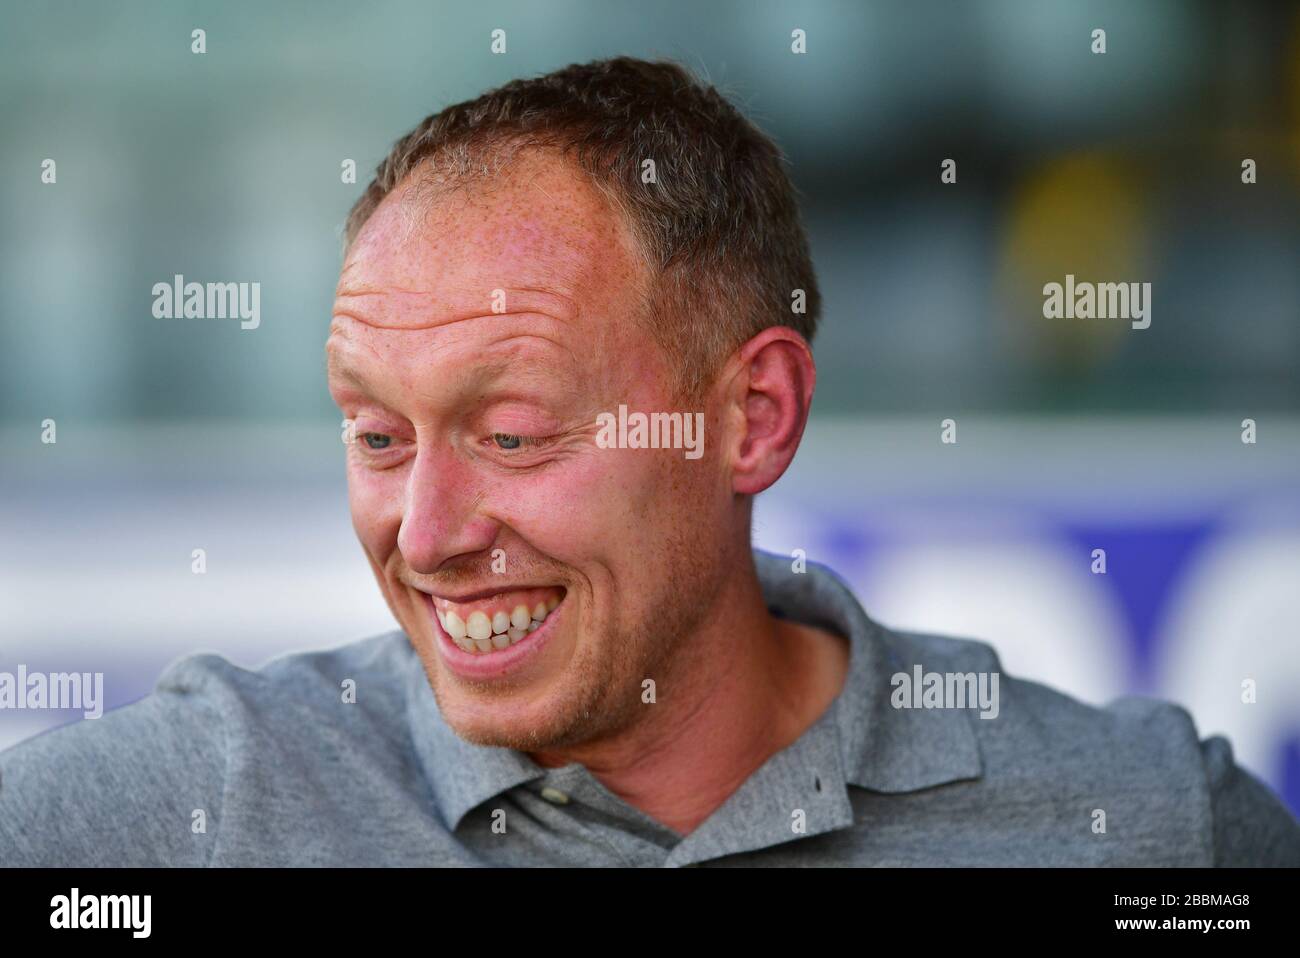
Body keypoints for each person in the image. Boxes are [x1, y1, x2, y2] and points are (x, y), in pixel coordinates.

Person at [2, 57, 1297, 867]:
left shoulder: (1151, 822)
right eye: (378, 435)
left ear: (755, 417)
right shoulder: (205, 800)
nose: (430, 531)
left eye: (512, 434)